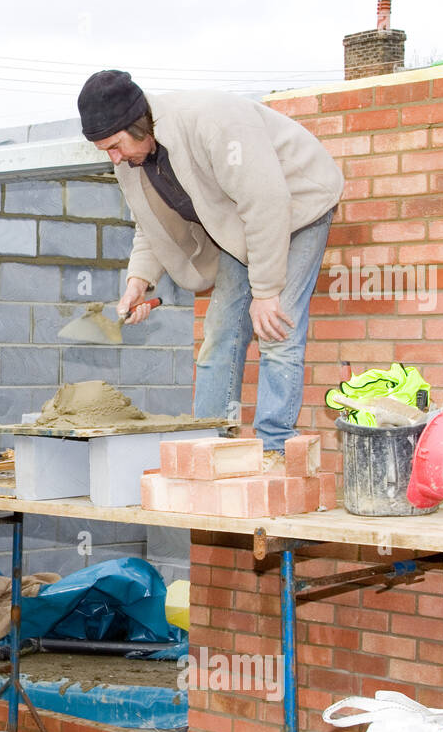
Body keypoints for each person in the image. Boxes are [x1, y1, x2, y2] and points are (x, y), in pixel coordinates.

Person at [77, 70, 344, 461]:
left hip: (297, 205)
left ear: (138, 124)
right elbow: (148, 224)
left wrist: (267, 292)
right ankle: (208, 442)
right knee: (221, 332)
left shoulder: (210, 122)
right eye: (105, 151)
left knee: (276, 328)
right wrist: (140, 279)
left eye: (115, 146)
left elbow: (267, 201)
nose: (113, 158)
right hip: (243, 224)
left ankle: (275, 446)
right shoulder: (131, 159)